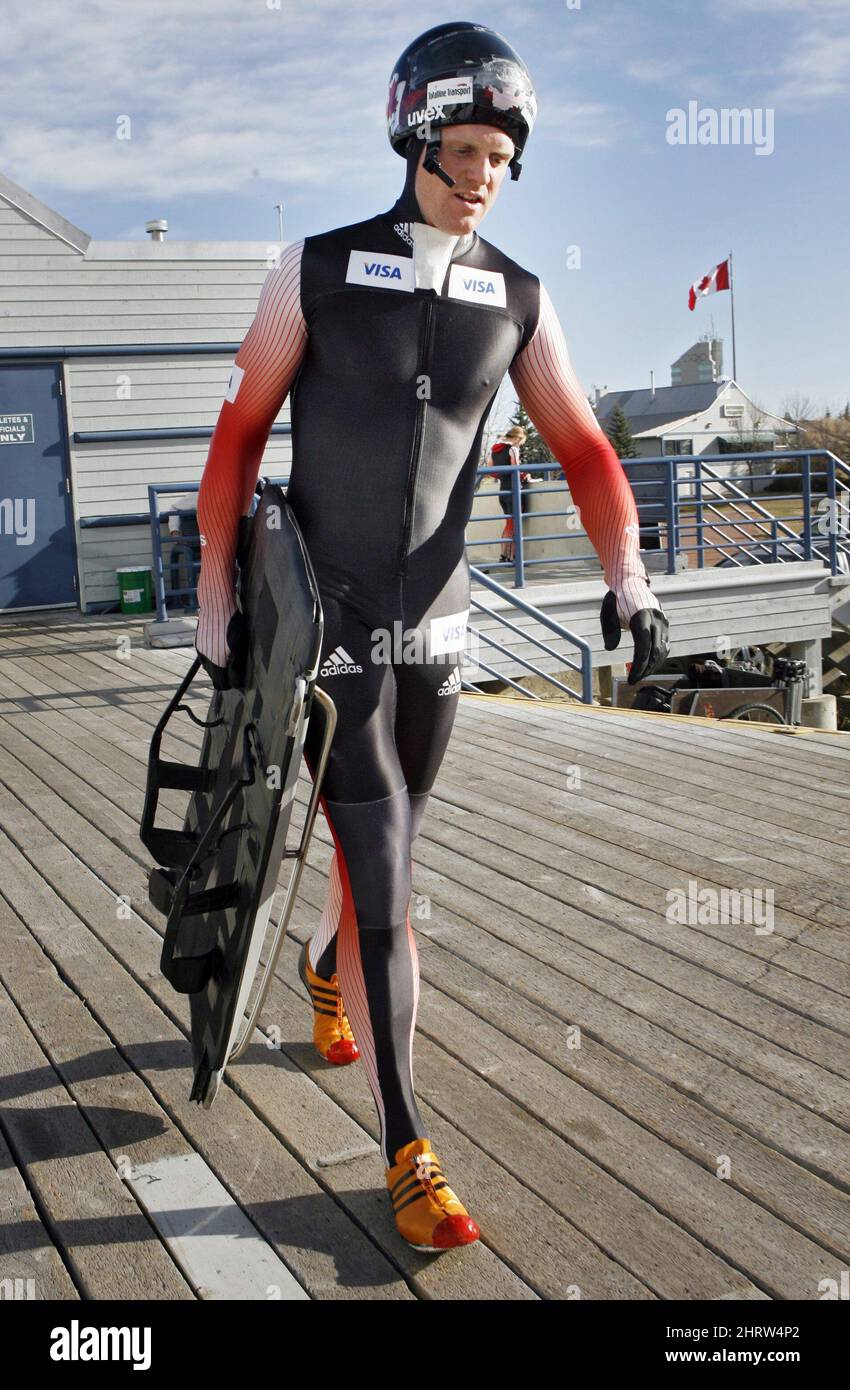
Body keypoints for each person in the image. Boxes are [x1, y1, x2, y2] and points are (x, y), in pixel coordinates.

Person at [194, 21, 669, 1254]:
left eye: (501, 158)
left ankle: (321, 968)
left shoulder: (518, 295)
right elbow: (239, 432)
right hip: (333, 624)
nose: (482, 176)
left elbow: (586, 450)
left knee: (387, 858)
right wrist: (212, 587)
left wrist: (628, 575)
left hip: (441, 628)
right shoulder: (313, 270)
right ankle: (408, 1144)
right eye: (463, 150)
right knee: (389, 867)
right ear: (413, 135)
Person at [488, 424, 531, 562]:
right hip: (513, 491)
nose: (521, 445)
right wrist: (526, 476)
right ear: (518, 438)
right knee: (514, 526)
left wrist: (502, 476)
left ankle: (503, 555)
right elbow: (516, 469)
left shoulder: (495, 450)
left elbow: (490, 470)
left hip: (503, 491)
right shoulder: (513, 449)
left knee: (508, 525)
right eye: (521, 441)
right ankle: (512, 557)